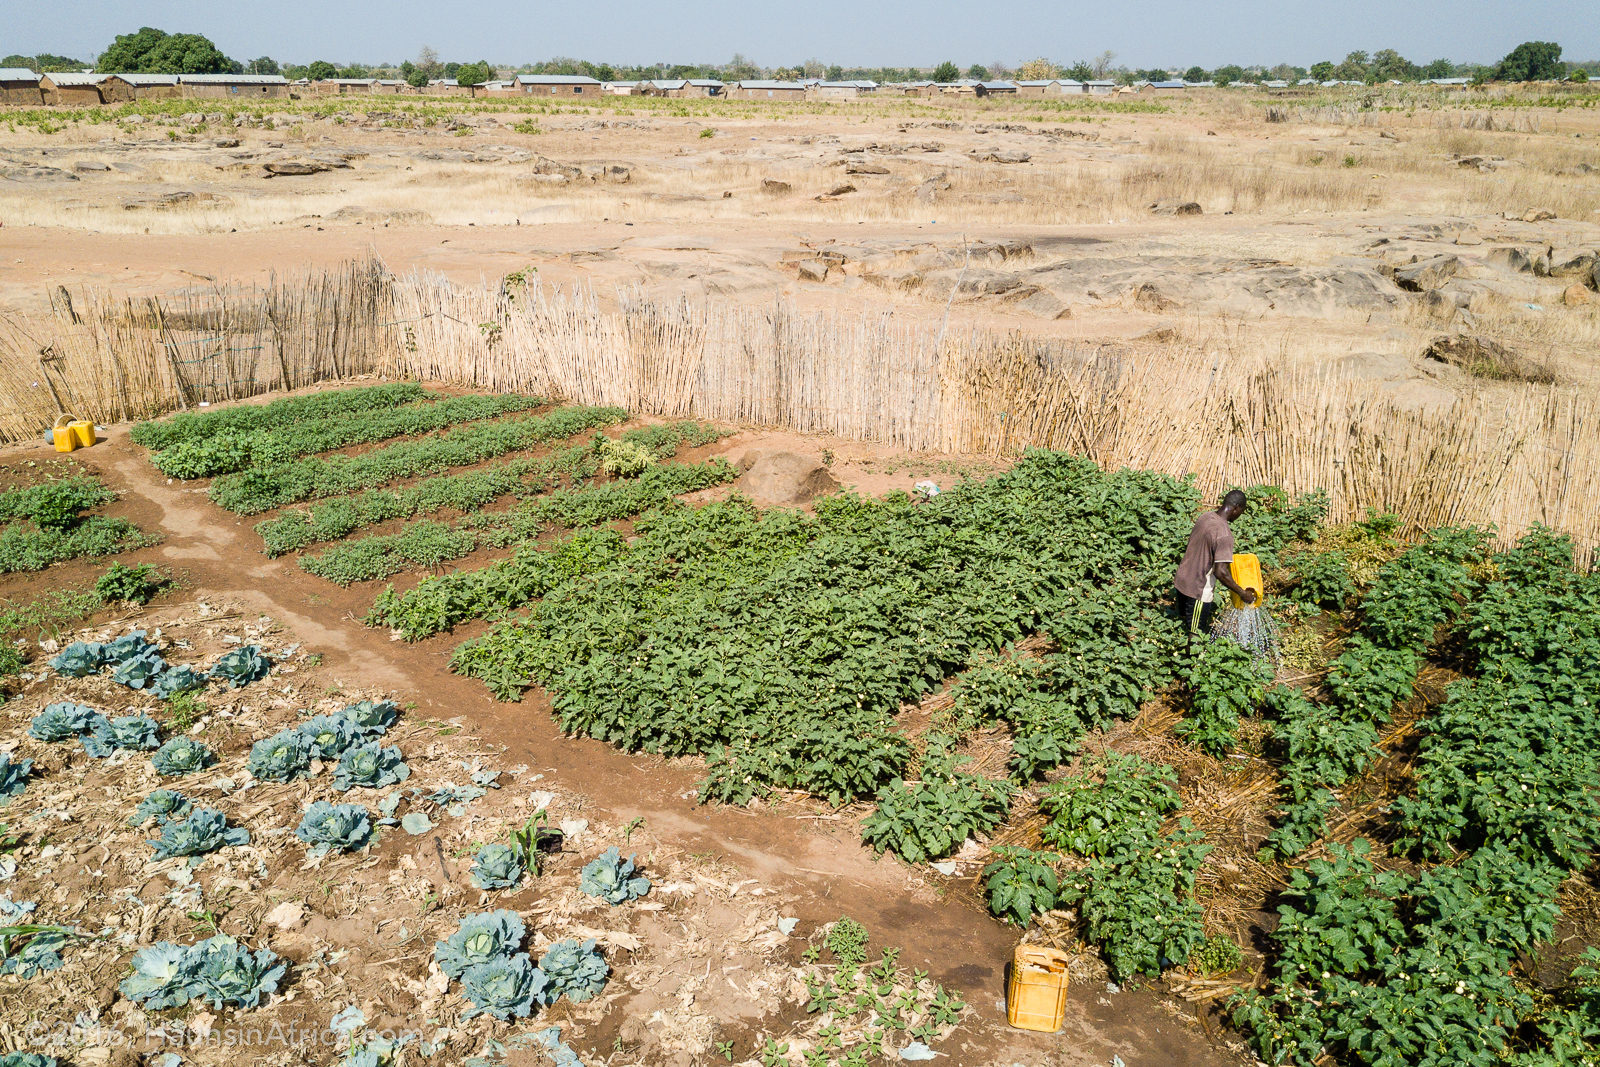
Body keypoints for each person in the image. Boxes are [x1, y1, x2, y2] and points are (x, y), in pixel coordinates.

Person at [1173, 489, 1256, 635]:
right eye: (1241, 512)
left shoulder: (1205, 517)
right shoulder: (1224, 534)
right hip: (1197, 590)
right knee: (1195, 635)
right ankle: (1192, 655)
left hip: (1182, 580)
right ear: (1236, 507)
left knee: (1182, 626)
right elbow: (1220, 572)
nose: (1239, 516)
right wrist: (1242, 593)